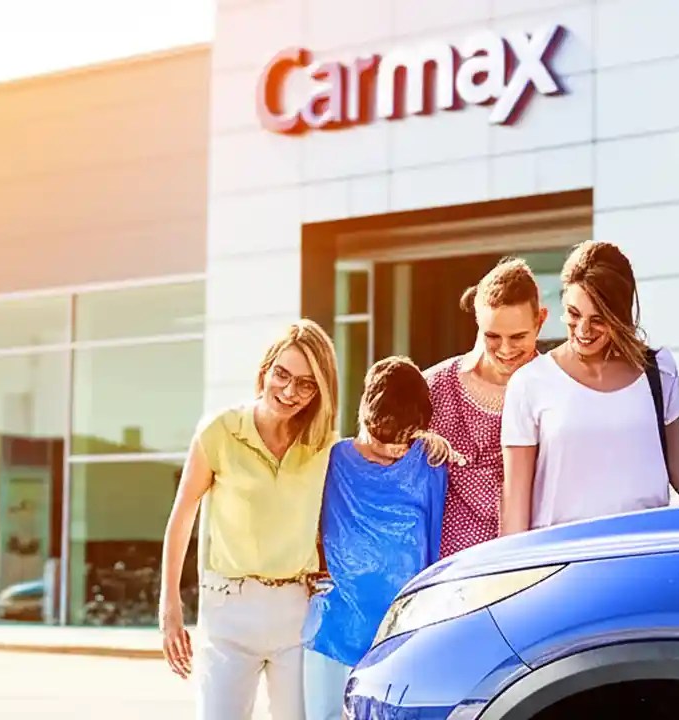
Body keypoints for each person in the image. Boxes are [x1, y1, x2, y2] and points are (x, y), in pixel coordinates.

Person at [158, 319, 339, 720]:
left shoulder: (325, 444)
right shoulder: (220, 431)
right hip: (229, 611)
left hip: (297, 612)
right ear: (265, 370)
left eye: (306, 384)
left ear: (321, 391)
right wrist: (169, 606)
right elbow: (182, 515)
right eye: (282, 374)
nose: (290, 391)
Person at [499, 240, 679, 535]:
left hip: (643, 554)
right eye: (573, 314)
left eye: (598, 319)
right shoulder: (530, 383)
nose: (583, 331)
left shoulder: (657, 371)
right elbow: (515, 502)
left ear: (620, 315)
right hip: (561, 563)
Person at [302, 356, 459, 720]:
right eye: (384, 435)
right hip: (335, 628)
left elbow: (435, 543)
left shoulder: (428, 463)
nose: (393, 449)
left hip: (400, 631)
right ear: (365, 413)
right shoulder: (333, 459)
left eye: (406, 437)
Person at [424, 257, 548, 557]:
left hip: (526, 567)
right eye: (492, 336)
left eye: (518, 337)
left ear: (541, 320)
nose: (505, 349)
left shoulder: (554, 390)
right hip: (443, 575)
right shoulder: (433, 387)